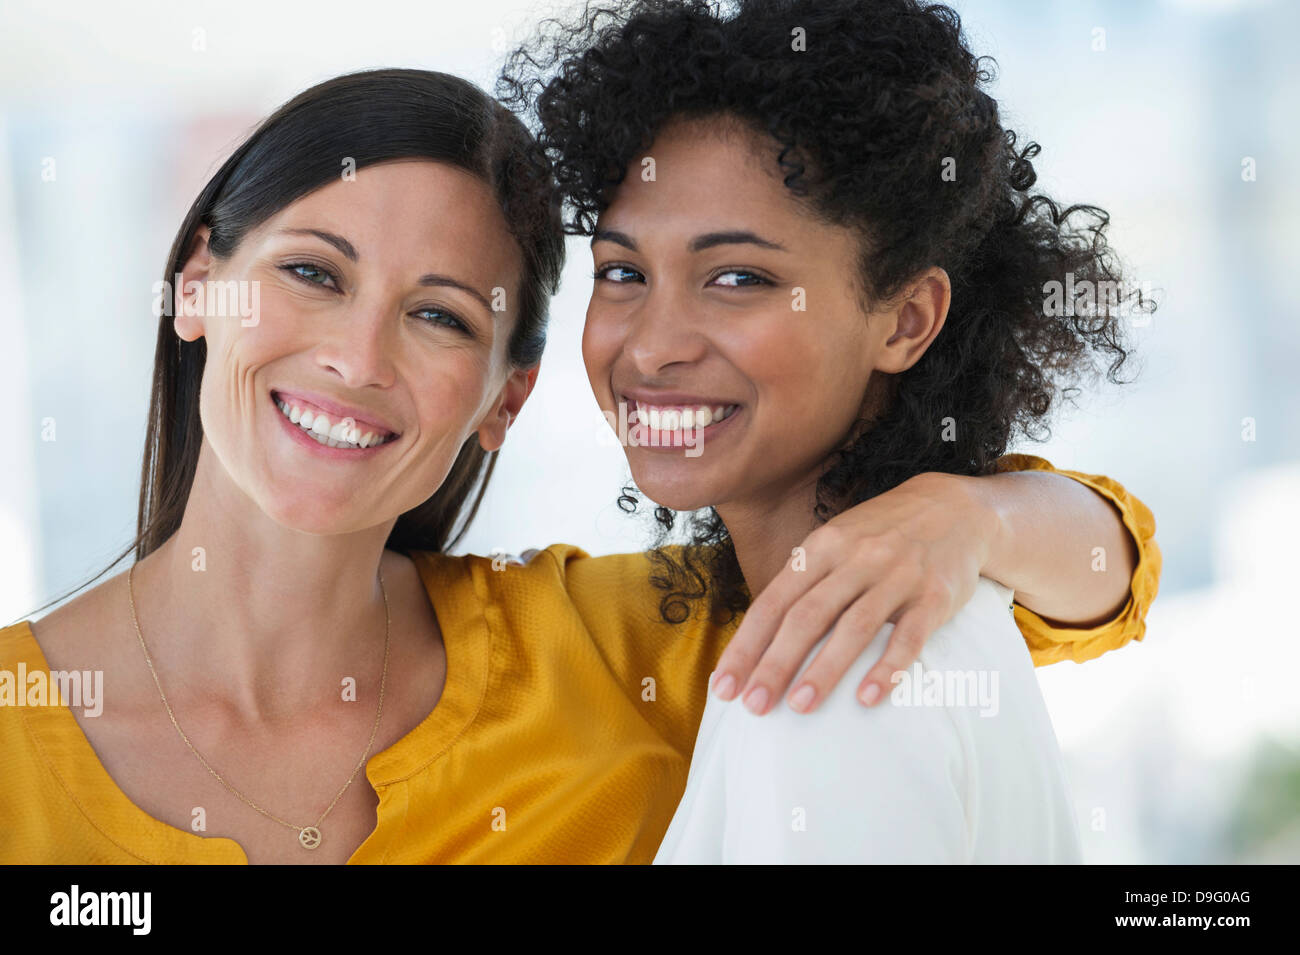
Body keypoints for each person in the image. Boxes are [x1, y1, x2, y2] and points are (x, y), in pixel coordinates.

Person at [0, 63, 1157, 864]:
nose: (356, 358)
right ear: (197, 284)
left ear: (506, 397)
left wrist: (973, 518)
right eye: (313, 272)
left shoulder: (634, 649)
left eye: (442, 316)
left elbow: (1091, 591)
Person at [497, 0, 1160, 861]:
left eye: (737, 277)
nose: (652, 346)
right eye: (623, 271)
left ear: (905, 320)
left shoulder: (831, 668)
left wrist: (983, 517)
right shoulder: (902, 604)